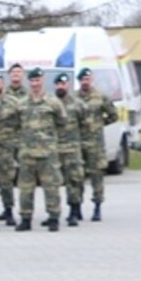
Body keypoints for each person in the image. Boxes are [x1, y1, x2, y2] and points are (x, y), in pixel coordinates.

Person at [14, 68, 67, 231]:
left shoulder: (53, 102)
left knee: (51, 186)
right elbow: (16, 125)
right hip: (27, 153)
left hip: (47, 153)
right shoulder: (21, 104)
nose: (35, 84)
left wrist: (50, 139)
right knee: (25, 187)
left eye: (38, 80)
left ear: (43, 81)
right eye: (32, 81)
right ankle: (25, 217)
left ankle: (53, 217)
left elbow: (62, 123)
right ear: (29, 82)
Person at [74, 68, 117, 221]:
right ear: (79, 81)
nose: (86, 82)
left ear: (92, 80)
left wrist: (99, 124)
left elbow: (113, 115)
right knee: (76, 177)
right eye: (83, 80)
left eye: (88, 79)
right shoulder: (73, 97)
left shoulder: (101, 97)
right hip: (78, 143)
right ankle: (76, 207)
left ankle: (97, 207)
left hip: (95, 144)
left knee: (96, 176)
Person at [0, 65, 27, 226]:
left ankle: (9, 209)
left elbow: (23, 122)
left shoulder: (13, 102)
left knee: (6, 181)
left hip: (7, 147)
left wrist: (17, 140)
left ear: (3, 85)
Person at [53, 73, 86, 226]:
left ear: (68, 85)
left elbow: (86, 125)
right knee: (53, 182)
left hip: (72, 149)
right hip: (55, 149)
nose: (61, 87)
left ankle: (74, 211)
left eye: (63, 84)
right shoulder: (51, 103)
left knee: (74, 181)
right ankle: (54, 212)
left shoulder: (78, 104)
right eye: (58, 84)